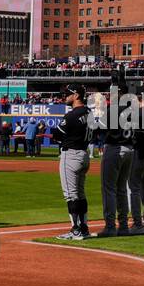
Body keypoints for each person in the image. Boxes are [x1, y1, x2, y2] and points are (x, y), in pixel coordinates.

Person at [52, 86, 92, 240]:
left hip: (71, 155)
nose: (64, 96)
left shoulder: (72, 115)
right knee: (80, 194)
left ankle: (75, 230)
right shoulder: (89, 112)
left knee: (70, 195)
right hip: (84, 153)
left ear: (76, 95)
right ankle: (84, 227)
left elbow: (56, 133)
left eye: (67, 94)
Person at [99, 92, 134, 238]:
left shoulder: (113, 109)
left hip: (115, 148)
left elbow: (99, 127)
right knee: (121, 189)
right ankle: (124, 225)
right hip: (130, 149)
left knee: (109, 189)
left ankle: (110, 226)